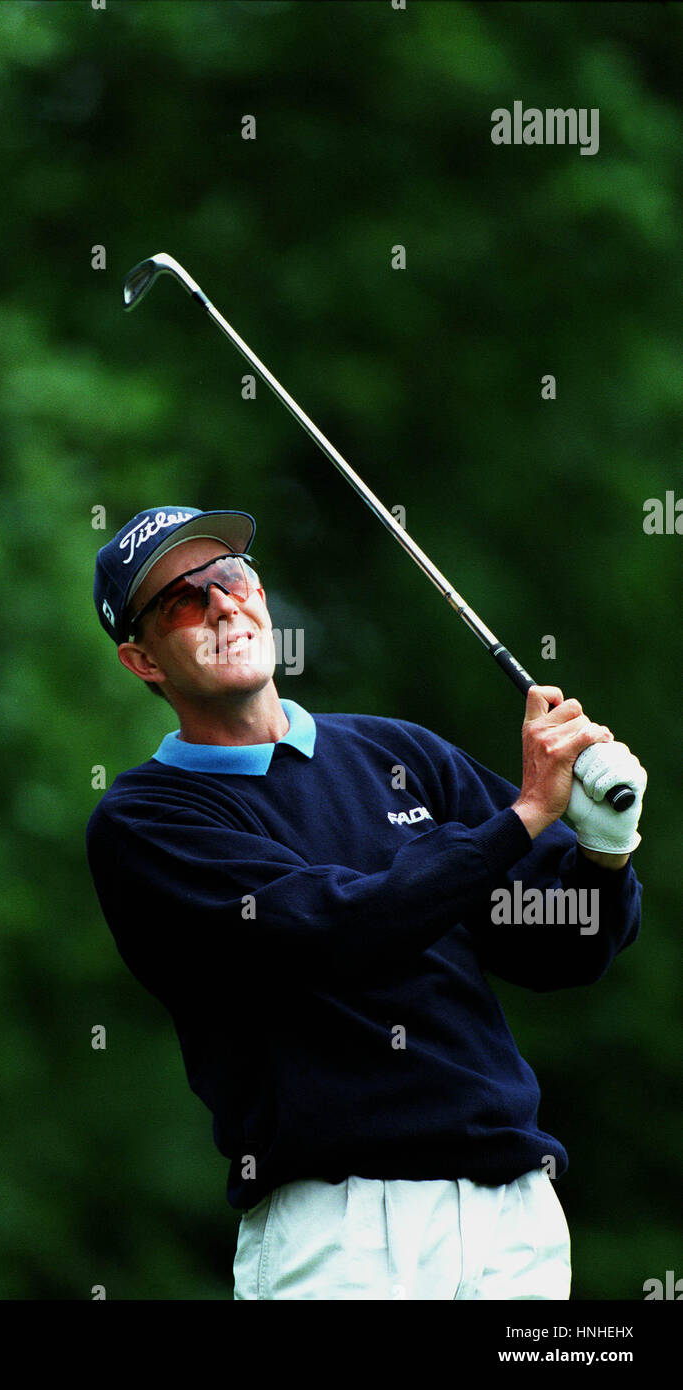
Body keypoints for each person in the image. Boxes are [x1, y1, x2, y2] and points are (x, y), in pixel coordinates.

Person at [85, 504, 646, 1301]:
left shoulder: (400, 754)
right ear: (144, 660)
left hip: (512, 1216)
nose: (220, 605)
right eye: (182, 599)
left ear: (260, 594)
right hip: (339, 1232)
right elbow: (336, 925)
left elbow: (561, 947)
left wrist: (603, 852)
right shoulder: (147, 821)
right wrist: (524, 817)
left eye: (230, 577)